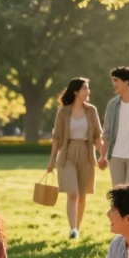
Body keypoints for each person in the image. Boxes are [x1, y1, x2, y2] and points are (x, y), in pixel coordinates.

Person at [47, 78, 105, 240]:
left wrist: (103, 155)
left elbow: (96, 137)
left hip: (87, 153)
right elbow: (57, 138)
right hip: (67, 154)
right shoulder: (63, 112)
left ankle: (77, 229)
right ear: (76, 92)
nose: (88, 92)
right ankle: (72, 229)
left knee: (82, 194)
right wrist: (51, 161)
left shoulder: (91, 111)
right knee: (72, 193)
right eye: (85, 88)